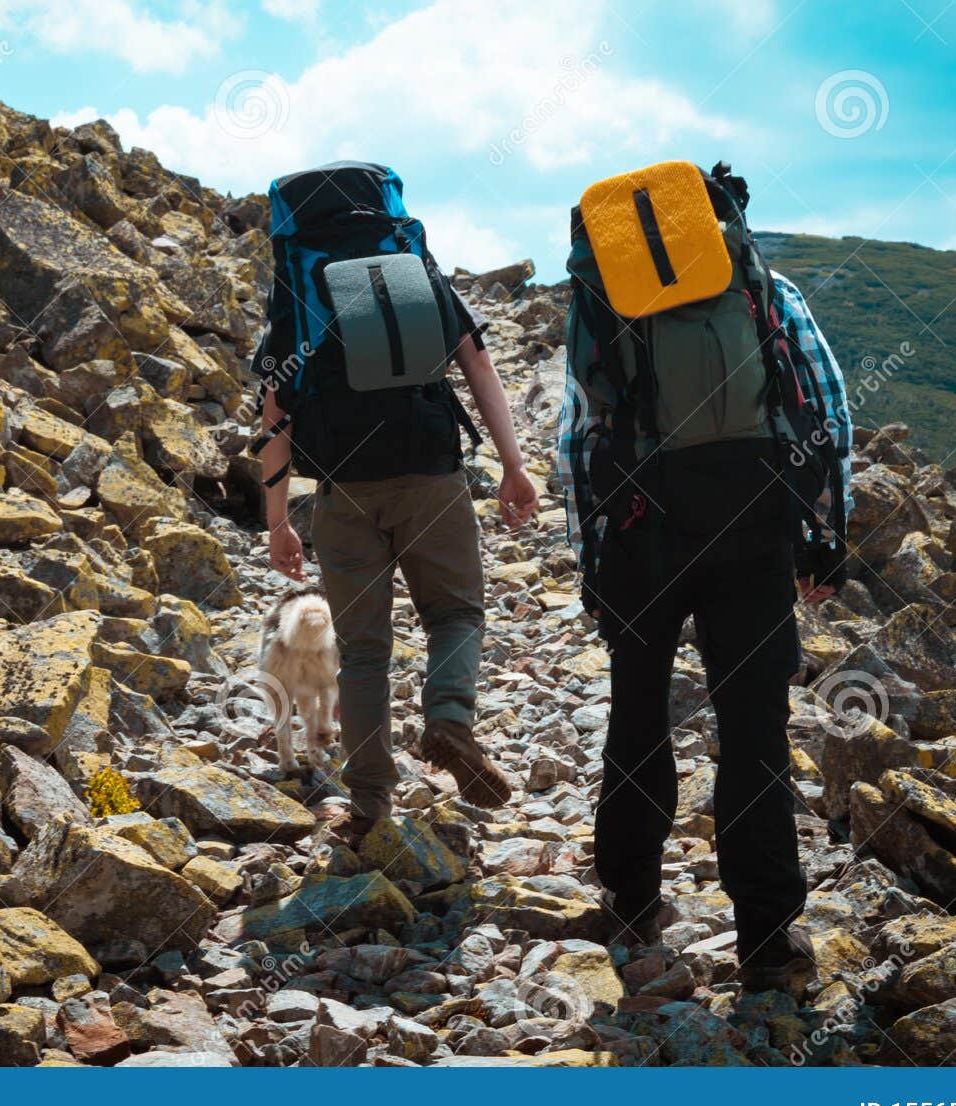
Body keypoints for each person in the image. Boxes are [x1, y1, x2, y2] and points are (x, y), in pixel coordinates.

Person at [558, 161, 852, 988]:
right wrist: (826, 532)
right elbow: (827, 411)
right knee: (755, 734)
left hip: (644, 532)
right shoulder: (760, 283)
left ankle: (630, 901)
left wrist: (592, 561)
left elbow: (579, 436)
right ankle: (767, 941)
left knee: (639, 714)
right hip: (752, 526)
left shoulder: (602, 296)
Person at [254, 162, 538, 838]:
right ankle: (447, 716)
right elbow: (477, 362)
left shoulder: (300, 282)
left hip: (344, 488)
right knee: (456, 612)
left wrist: (277, 521)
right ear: (385, 207)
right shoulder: (413, 262)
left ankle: (369, 804)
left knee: (362, 652)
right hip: (431, 472)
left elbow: (274, 413)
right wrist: (512, 465)